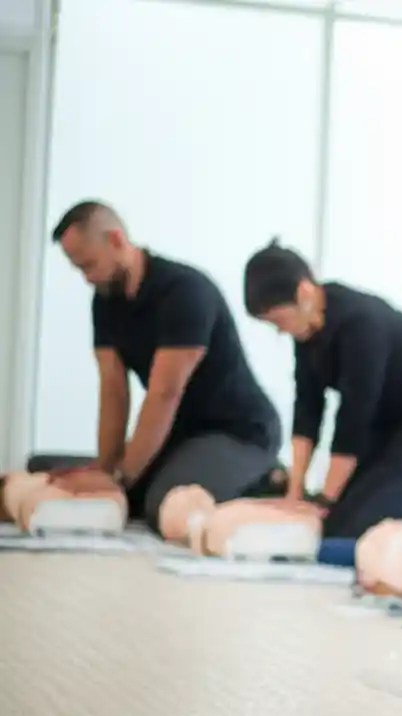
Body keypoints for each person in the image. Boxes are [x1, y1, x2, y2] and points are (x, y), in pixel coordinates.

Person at [49, 200, 283, 530]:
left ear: (116, 240)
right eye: (79, 269)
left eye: (89, 265)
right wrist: (105, 470)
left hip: (237, 431)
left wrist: (121, 478)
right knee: (55, 474)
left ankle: (269, 479)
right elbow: (113, 391)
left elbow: (164, 394)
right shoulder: (105, 301)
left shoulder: (184, 292)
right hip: (181, 434)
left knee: (163, 503)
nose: (87, 278)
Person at [243, 240, 402, 538]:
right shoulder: (306, 331)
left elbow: (353, 417)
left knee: (353, 529)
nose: (279, 330)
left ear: (304, 292)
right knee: (339, 520)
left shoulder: (359, 323)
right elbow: (307, 409)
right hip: (387, 420)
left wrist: (324, 500)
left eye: (278, 319)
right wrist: (295, 493)